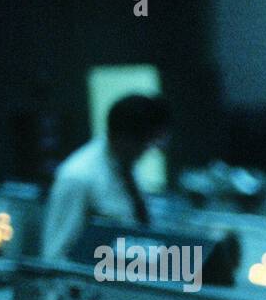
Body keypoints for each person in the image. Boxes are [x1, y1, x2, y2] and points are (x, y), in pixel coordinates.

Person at [40, 94, 171, 261]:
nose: (145, 152)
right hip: (90, 282)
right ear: (121, 137)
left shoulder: (126, 165)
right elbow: (55, 255)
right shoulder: (79, 176)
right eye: (144, 145)